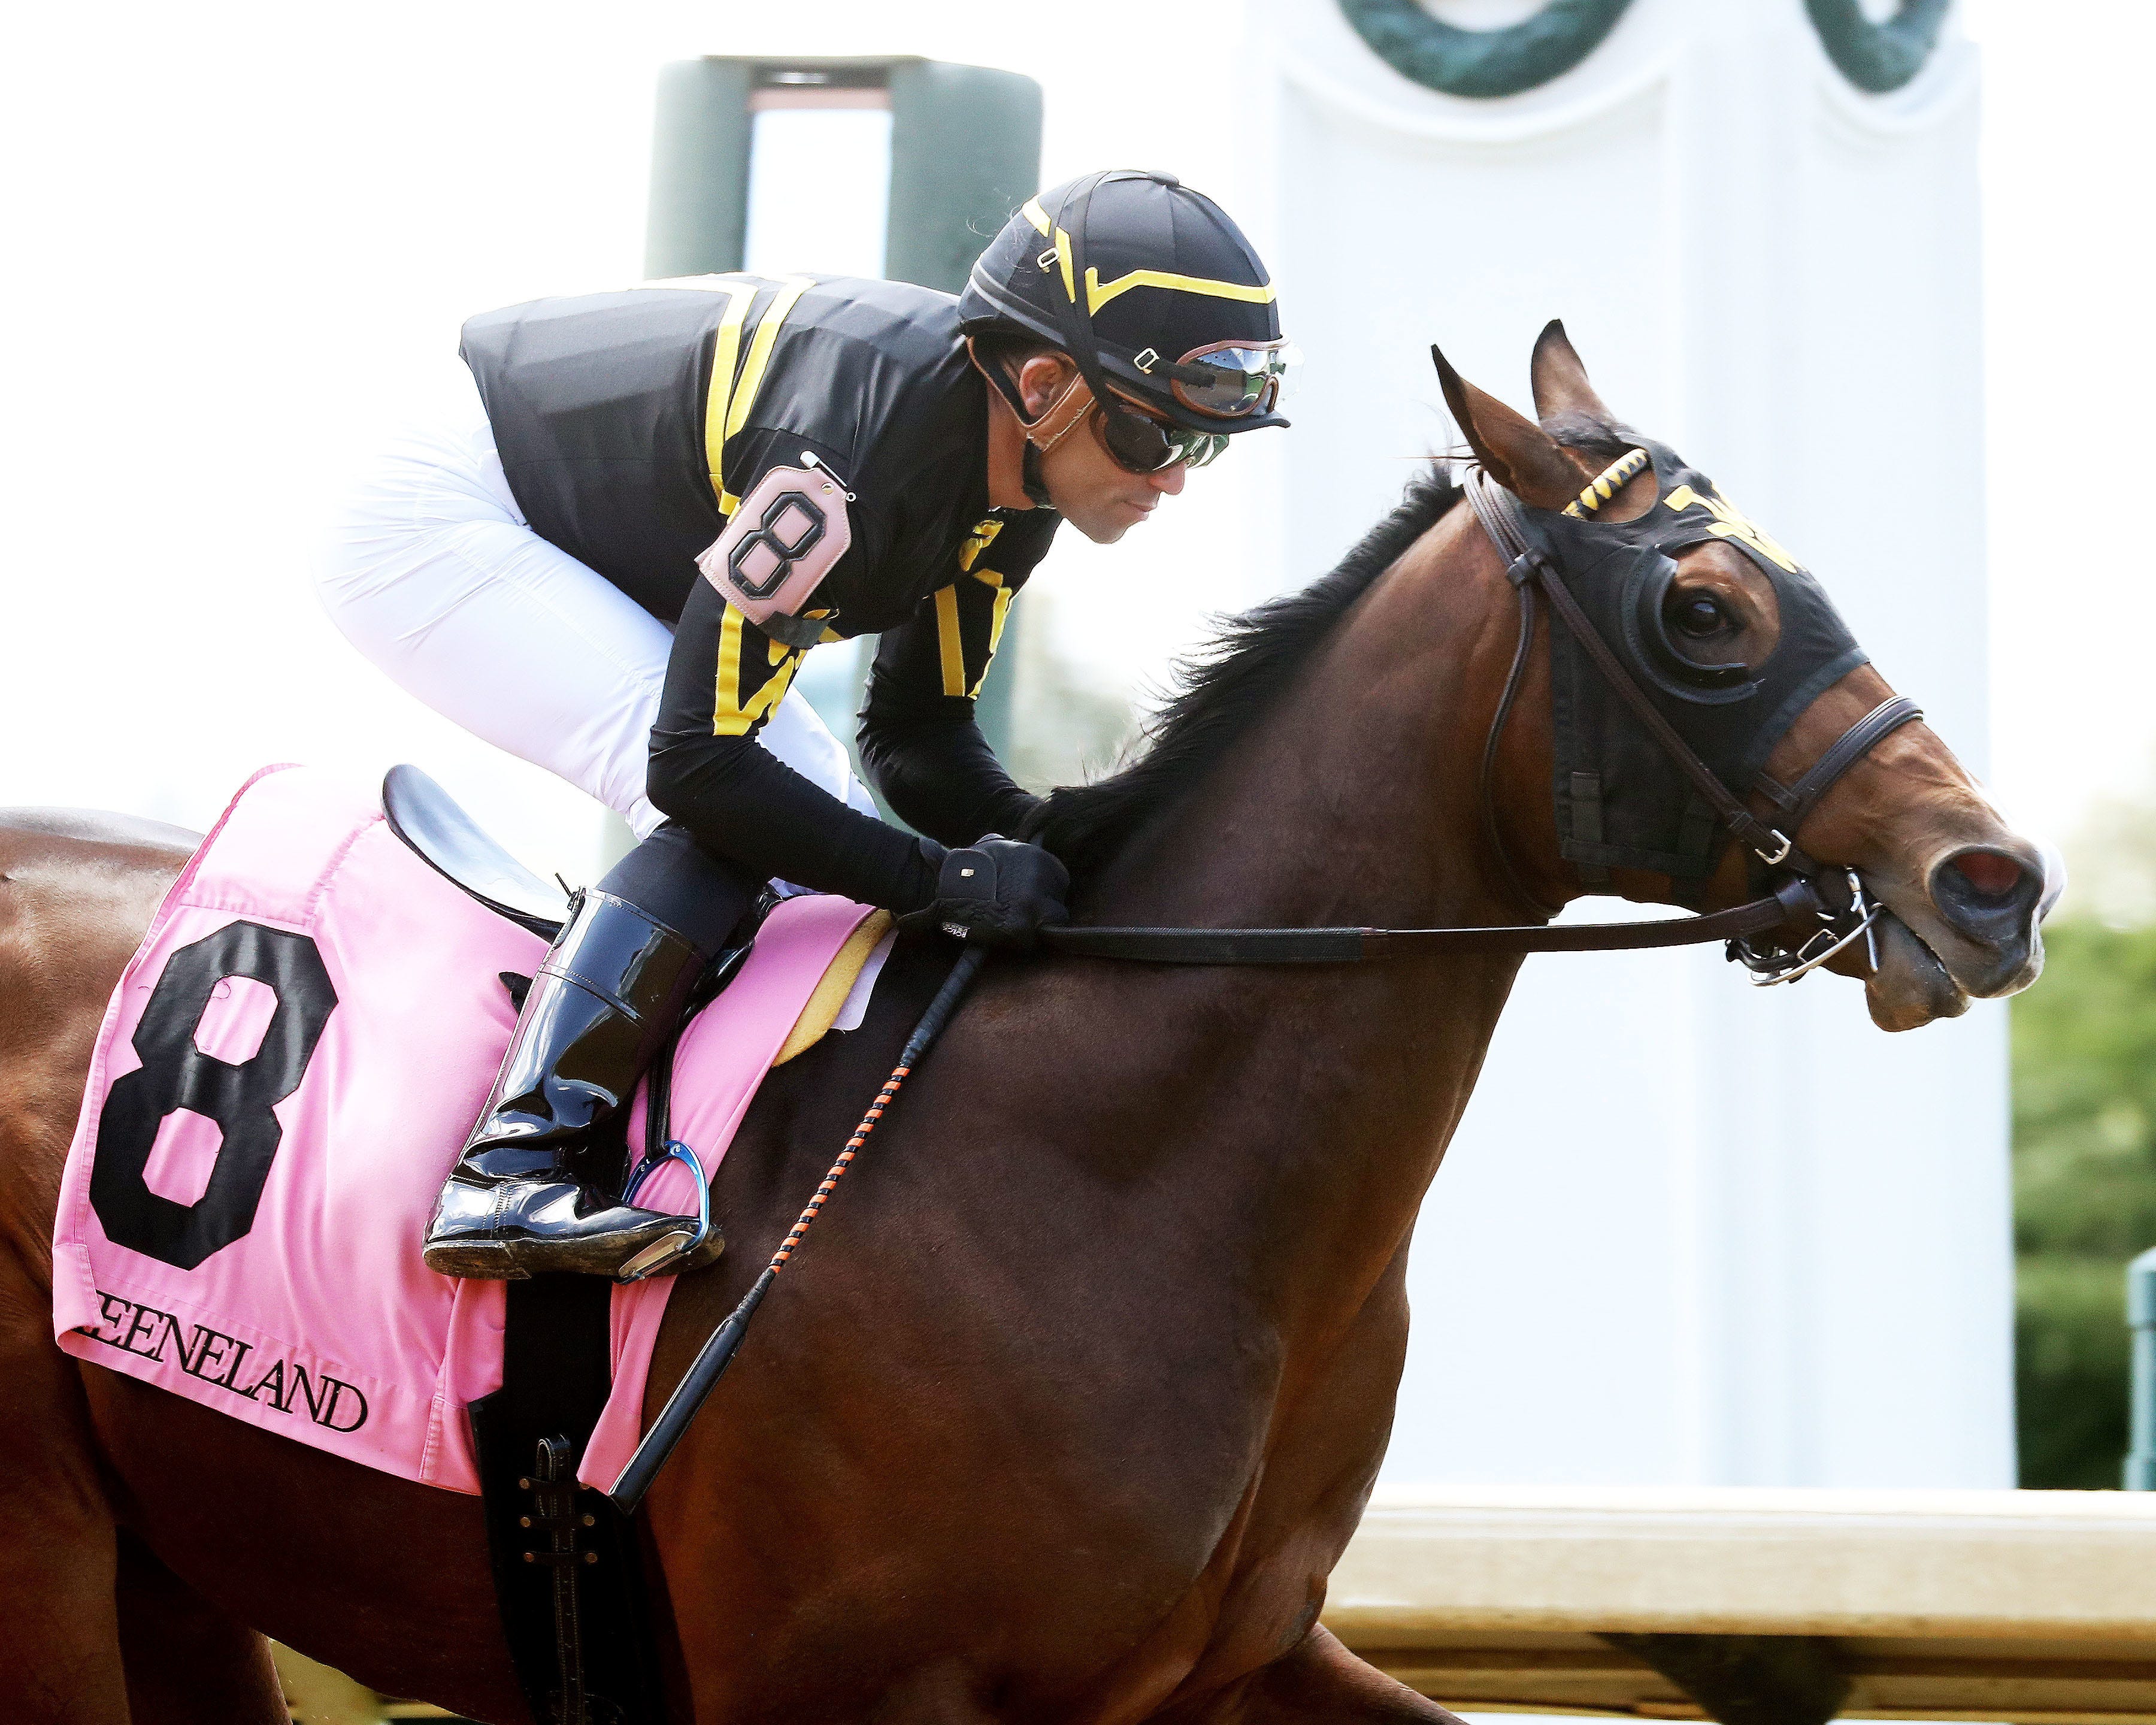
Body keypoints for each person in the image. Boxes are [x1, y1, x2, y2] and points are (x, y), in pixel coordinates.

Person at [317, 169, 1292, 1281]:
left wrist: (1067, 854)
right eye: (1154, 434)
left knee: (810, 790)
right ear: (1045, 384)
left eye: (1204, 448)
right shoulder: (853, 460)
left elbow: (918, 739)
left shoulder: (1013, 484)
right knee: (767, 780)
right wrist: (940, 882)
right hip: (436, 507)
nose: (1173, 481)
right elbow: (699, 766)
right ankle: (509, 1167)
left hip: (566, 503)